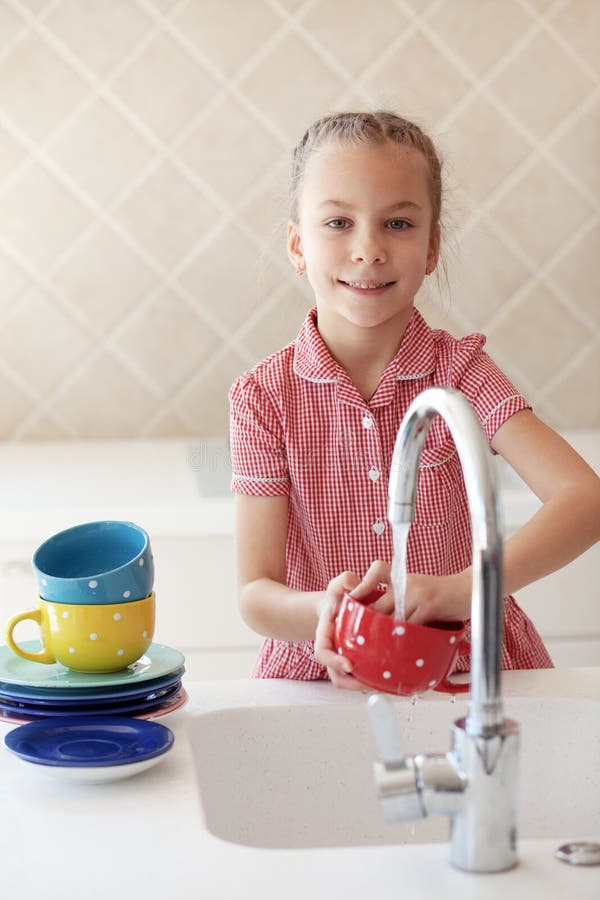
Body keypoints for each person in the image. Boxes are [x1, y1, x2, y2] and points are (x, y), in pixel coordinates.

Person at [228, 110, 600, 691]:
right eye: (338, 223)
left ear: (431, 248)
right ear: (298, 246)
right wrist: (323, 615)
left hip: (466, 667)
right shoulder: (263, 399)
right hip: (321, 678)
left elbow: (585, 499)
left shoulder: (462, 374)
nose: (368, 249)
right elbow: (256, 594)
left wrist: (462, 589)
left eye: (398, 224)